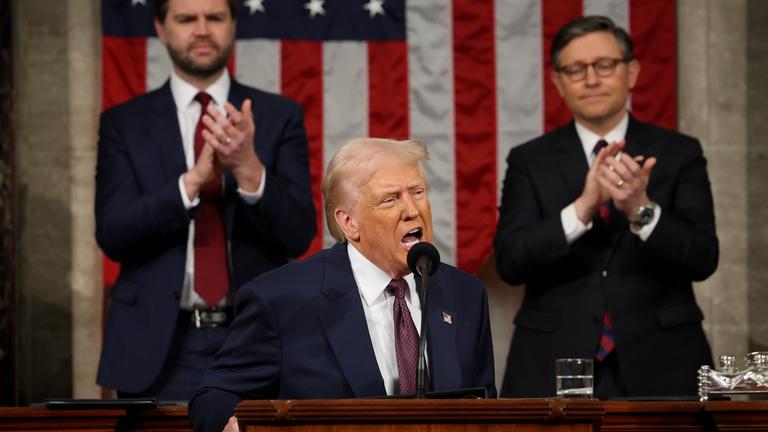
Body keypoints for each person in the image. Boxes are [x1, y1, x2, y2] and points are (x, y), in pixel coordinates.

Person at [188, 138, 496, 431]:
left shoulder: (463, 295)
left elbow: (484, 408)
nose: (412, 210)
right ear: (349, 223)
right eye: (390, 199)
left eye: (418, 192)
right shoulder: (281, 300)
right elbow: (213, 398)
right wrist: (232, 426)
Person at [95, 0, 316, 400]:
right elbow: (113, 233)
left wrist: (249, 168)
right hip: (158, 348)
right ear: (161, 28)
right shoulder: (123, 123)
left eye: (214, 17)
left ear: (232, 25)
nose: (201, 29)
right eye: (185, 19)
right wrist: (193, 182)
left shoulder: (278, 114)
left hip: (256, 339)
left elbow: (299, 234)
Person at [494, 16, 717, 399]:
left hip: (664, 362)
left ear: (631, 72)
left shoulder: (679, 152)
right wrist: (581, 209)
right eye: (575, 69)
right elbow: (511, 262)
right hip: (552, 362)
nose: (591, 79)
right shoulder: (529, 160)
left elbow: (703, 258)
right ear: (558, 82)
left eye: (604, 65)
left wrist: (640, 209)